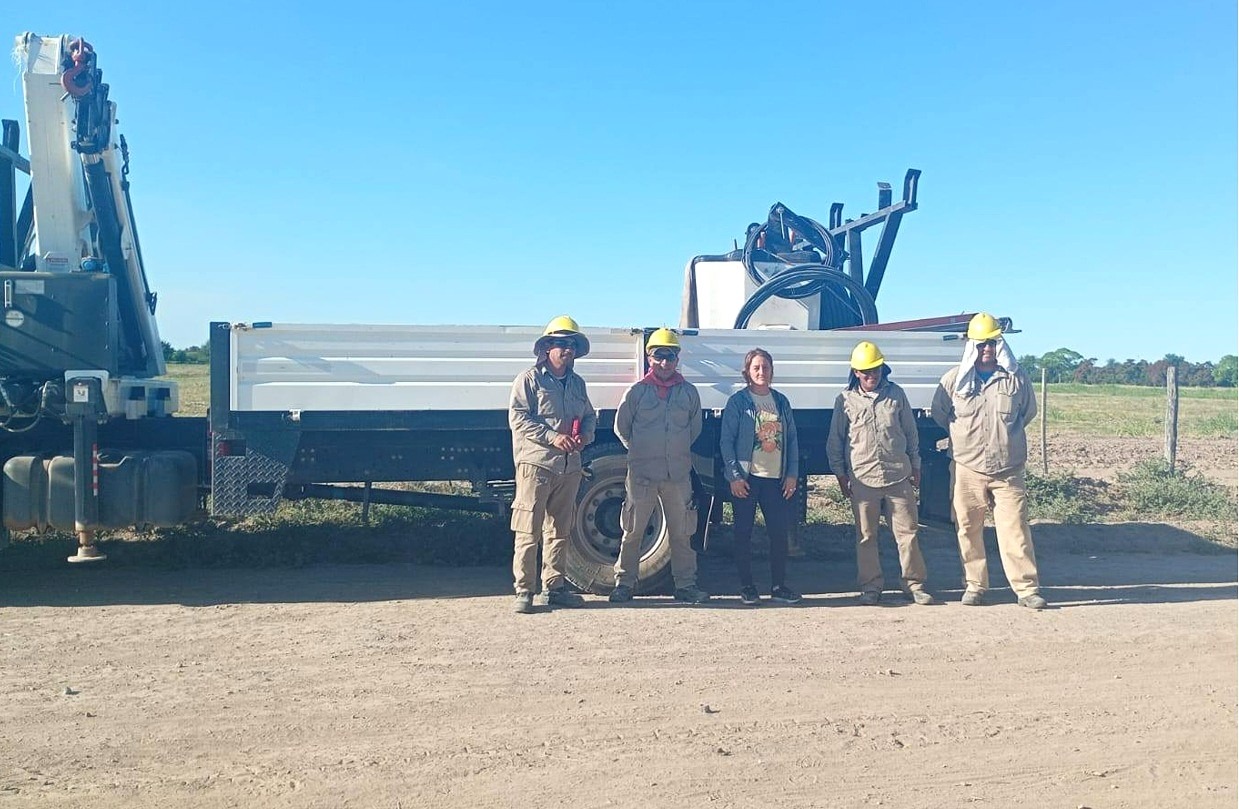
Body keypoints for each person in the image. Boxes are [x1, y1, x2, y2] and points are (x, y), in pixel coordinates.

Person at [931, 312, 1046, 609]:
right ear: (972, 345)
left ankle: (1026, 590)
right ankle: (975, 585)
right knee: (968, 528)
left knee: (1015, 529)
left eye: (992, 344)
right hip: (967, 466)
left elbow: (1027, 413)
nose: (987, 350)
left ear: (1000, 345)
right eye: (981, 344)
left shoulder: (1016, 378)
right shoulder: (952, 381)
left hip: (1008, 469)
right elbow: (941, 415)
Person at [827, 341, 938, 606]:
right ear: (855, 372)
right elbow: (836, 440)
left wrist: (917, 465)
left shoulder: (897, 394)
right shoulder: (844, 400)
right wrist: (841, 475)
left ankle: (914, 584)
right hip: (863, 478)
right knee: (866, 536)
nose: (871, 375)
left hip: (898, 476)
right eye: (866, 371)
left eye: (875, 369)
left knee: (908, 533)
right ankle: (870, 586)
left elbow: (911, 432)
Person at [609, 328, 710, 604]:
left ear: (678, 359)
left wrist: (672, 452)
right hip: (642, 475)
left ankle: (686, 585)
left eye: (671, 356)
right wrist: (643, 452)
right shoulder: (637, 392)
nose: (665, 363)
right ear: (649, 357)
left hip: (677, 475)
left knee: (682, 533)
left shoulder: (689, 393)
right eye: (660, 356)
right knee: (632, 532)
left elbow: (694, 429)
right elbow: (622, 428)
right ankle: (624, 584)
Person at [507, 315, 598, 614]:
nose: (566, 349)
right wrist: (551, 437)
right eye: (560, 343)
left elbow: (589, 415)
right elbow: (518, 418)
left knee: (560, 530)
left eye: (571, 344)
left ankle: (554, 587)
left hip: (569, 467)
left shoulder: (577, 384)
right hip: (537, 465)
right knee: (528, 530)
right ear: (547, 348)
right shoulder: (529, 380)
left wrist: (586, 435)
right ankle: (524, 590)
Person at [719, 348, 803, 606]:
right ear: (747, 372)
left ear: (772, 371)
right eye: (756, 368)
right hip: (747, 478)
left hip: (775, 480)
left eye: (765, 367)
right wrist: (734, 476)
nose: (761, 372)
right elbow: (726, 441)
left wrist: (791, 475)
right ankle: (747, 587)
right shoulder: (738, 403)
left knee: (779, 534)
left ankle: (778, 586)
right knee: (743, 532)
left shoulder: (781, 402)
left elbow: (791, 440)